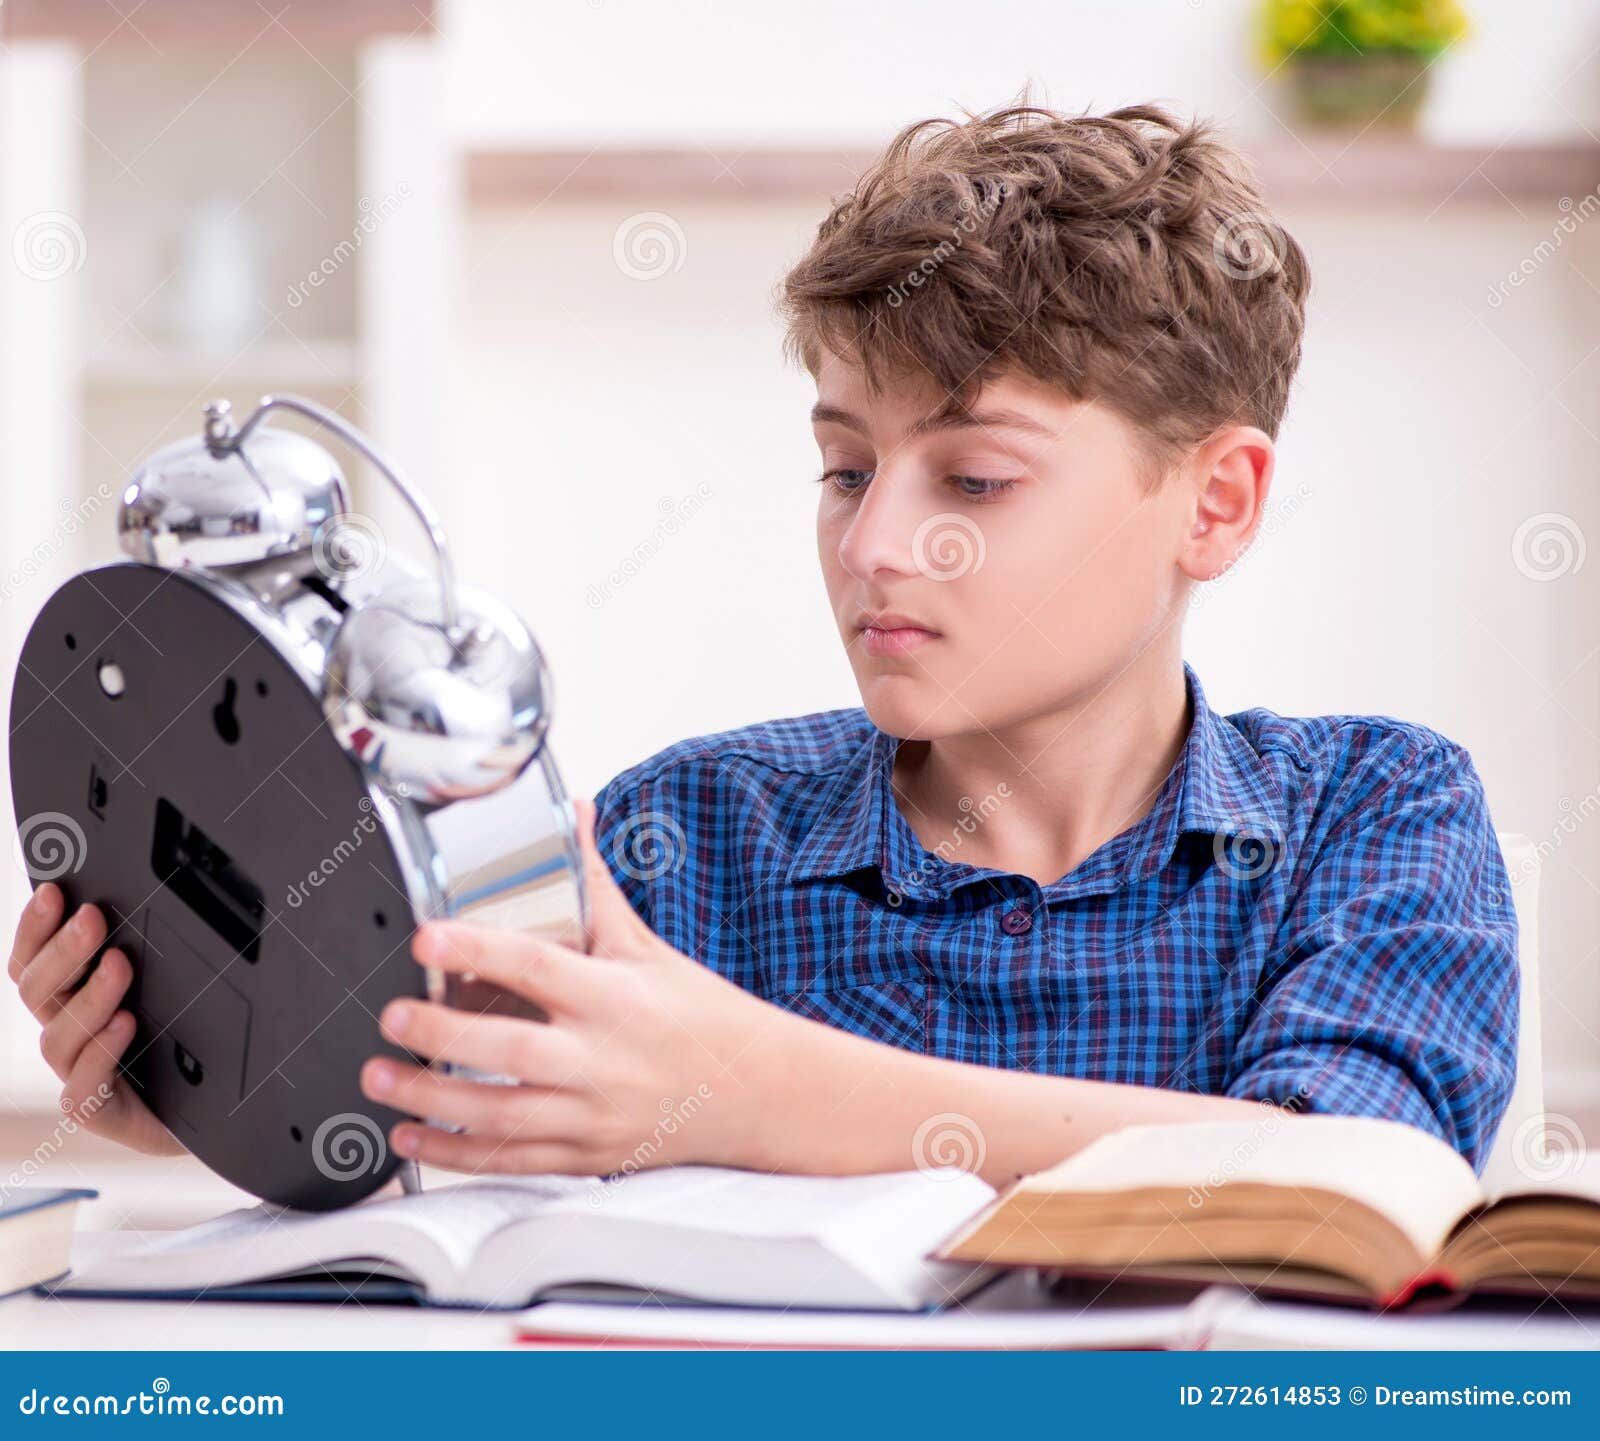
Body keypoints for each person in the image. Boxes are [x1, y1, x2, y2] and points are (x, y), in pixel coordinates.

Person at [8, 103, 1518, 1189]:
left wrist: (747, 1090)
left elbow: (1356, 1185)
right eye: (846, 468)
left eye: (975, 480)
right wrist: (224, 1087)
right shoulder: (680, 848)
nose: (872, 549)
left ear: (1217, 499)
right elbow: (439, 1155)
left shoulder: (1375, 818)